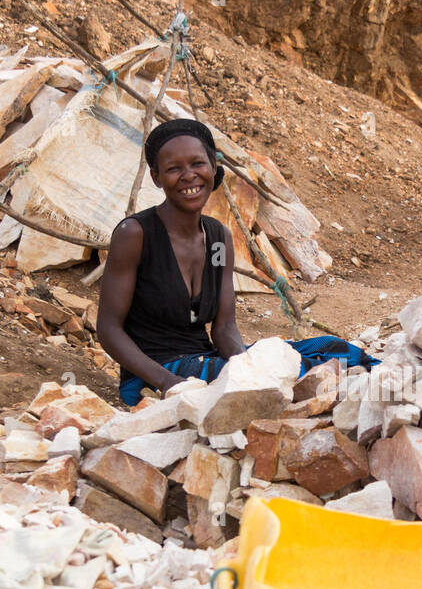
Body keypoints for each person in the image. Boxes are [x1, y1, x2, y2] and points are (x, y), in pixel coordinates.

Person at [97, 118, 379, 407]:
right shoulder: (135, 235)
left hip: (208, 360)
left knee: (335, 350)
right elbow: (108, 329)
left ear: (213, 167)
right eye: (173, 168)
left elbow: (224, 327)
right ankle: (369, 393)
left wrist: (246, 366)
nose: (189, 175)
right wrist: (170, 382)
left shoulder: (218, 239)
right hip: (157, 373)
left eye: (197, 163)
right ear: (156, 177)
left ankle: (401, 386)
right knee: (303, 374)